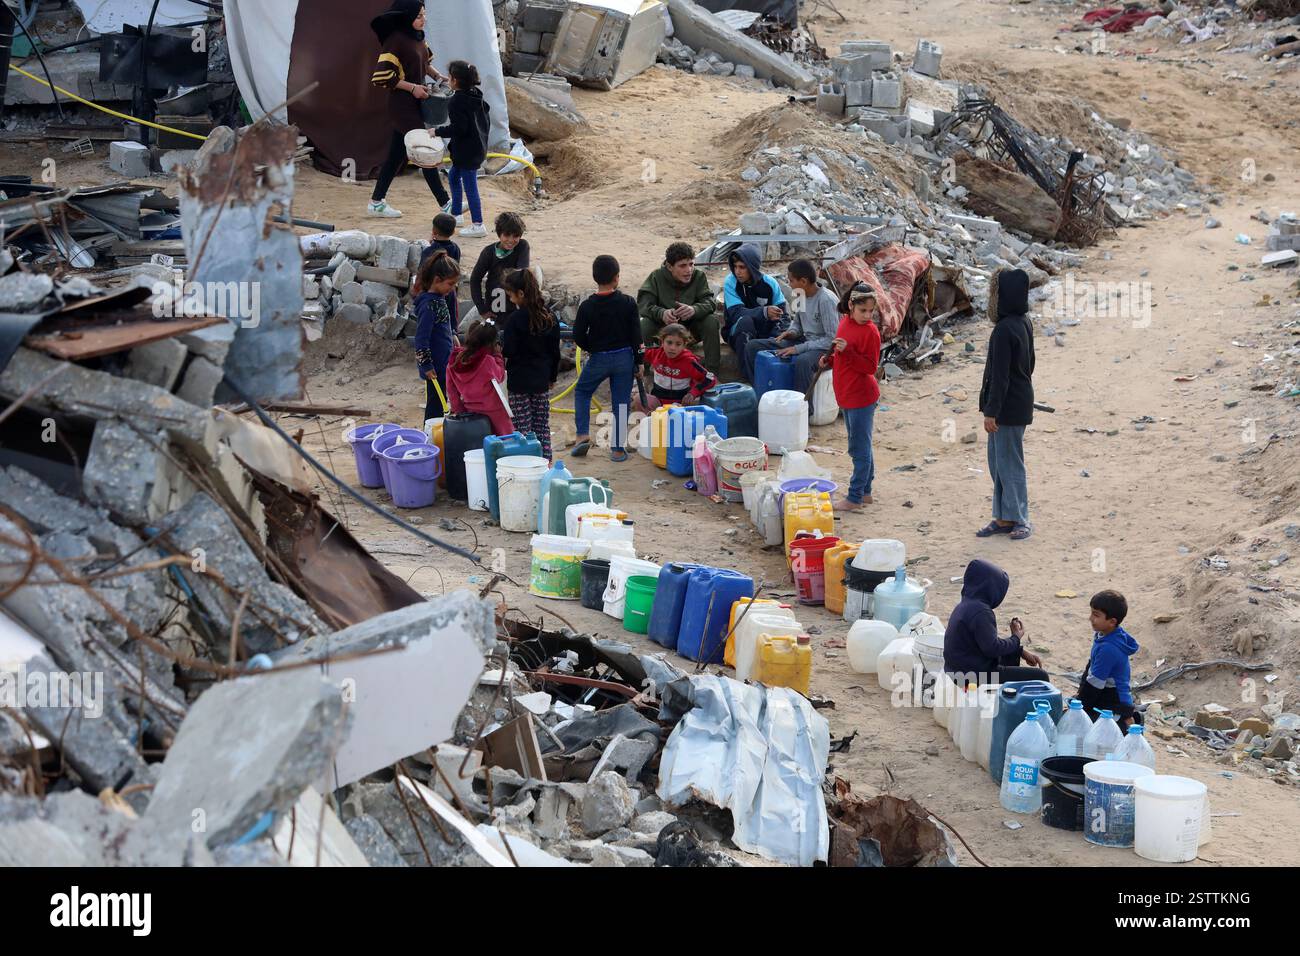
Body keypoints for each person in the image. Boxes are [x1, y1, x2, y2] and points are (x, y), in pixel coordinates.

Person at [367, 0, 450, 218]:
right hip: (402, 106)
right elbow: (382, 77)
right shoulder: (395, 41)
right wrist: (413, 88)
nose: (424, 20)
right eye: (419, 16)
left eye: (424, 14)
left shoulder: (418, 38)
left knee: (395, 156)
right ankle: (446, 204)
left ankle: (376, 202)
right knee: (423, 151)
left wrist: (437, 75)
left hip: (417, 103)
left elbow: (424, 61)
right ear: (406, 17)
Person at [976, 267, 1036, 541]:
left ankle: (1020, 519)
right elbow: (1029, 365)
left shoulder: (1003, 330)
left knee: (1009, 465)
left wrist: (991, 411)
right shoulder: (1025, 323)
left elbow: (999, 377)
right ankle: (1003, 517)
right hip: (1018, 403)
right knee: (999, 463)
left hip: (1007, 410)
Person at [571, 254, 641, 462]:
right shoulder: (628, 303)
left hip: (599, 358)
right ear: (617, 278)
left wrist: (592, 347)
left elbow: (577, 336)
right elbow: (636, 335)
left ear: (595, 278)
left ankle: (582, 435)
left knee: (583, 391)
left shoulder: (587, 306)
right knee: (621, 403)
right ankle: (618, 449)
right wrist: (639, 361)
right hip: (624, 358)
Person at [820, 284, 880, 510]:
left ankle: (854, 497)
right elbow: (840, 354)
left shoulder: (871, 332)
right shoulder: (844, 323)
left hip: (862, 397)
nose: (867, 316)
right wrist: (830, 360)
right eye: (863, 310)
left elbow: (870, 367)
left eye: (870, 311)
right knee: (862, 445)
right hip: (846, 394)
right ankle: (866, 492)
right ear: (851, 306)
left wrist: (848, 352)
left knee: (858, 448)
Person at [942, 558, 1047, 688]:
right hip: (973, 676)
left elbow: (985, 642)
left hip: (957, 670)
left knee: (1011, 654)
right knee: (1041, 676)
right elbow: (992, 648)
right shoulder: (981, 611)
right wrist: (1016, 637)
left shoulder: (965, 604)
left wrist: (1020, 651)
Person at [743, 258, 838, 391]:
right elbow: (798, 324)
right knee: (752, 346)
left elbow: (831, 340)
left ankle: (804, 409)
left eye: (791, 280)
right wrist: (791, 332)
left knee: (803, 362)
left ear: (803, 281)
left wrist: (798, 349)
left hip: (823, 349)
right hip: (805, 341)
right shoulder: (799, 295)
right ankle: (760, 391)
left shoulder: (826, 300)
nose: (789, 284)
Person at [501, 269, 561, 460]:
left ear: (520, 294)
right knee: (541, 425)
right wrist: (552, 377)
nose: (510, 299)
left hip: (519, 383)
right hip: (541, 380)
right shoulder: (549, 318)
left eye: (510, 295)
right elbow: (555, 352)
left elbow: (508, 351)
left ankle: (526, 462)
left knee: (522, 428)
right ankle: (546, 462)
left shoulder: (514, 321)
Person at [636, 242, 721, 374]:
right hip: (664, 334)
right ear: (670, 266)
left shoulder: (698, 277)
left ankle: (712, 372)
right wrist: (662, 313)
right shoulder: (656, 277)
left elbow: (710, 302)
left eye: (691, 264)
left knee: (711, 321)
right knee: (644, 324)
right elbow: (643, 304)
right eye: (682, 266)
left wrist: (694, 310)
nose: (689, 270)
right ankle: (644, 372)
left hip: (690, 333)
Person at [435, 60, 490, 238]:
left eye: (449, 77)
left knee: (470, 186)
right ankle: (456, 214)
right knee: (453, 176)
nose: (448, 79)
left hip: (467, 151)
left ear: (455, 81)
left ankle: (478, 224)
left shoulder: (456, 101)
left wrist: (436, 131)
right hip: (475, 147)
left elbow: (459, 128)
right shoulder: (475, 94)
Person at [412, 250, 461, 423]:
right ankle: (431, 435)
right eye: (450, 284)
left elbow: (442, 326)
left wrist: (452, 334)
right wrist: (425, 365)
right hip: (435, 366)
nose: (452, 288)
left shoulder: (439, 299)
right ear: (437, 280)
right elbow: (421, 338)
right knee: (435, 404)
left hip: (443, 360)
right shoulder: (428, 305)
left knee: (441, 400)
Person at [1078, 590, 1140, 727]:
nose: (1090, 618)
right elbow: (1092, 665)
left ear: (1112, 622)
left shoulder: (1109, 648)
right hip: (1103, 689)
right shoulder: (1105, 634)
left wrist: (1079, 708)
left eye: (1096, 615)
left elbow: (1095, 684)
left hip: (1114, 699)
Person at [722, 242, 787, 368]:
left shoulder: (770, 283)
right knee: (746, 322)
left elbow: (783, 314)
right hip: (737, 333)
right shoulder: (731, 282)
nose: (737, 272)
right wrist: (764, 312)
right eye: (735, 267)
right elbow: (736, 313)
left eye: (742, 267)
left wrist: (778, 334)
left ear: (752, 267)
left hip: (764, 333)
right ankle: (749, 376)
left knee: (783, 334)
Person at [446, 319, 511, 436]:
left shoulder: (455, 360)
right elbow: (500, 376)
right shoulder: (488, 361)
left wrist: (460, 411)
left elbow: (451, 391)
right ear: (491, 343)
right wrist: (497, 355)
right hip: (495, 414)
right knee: (503, 446)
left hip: (471, 412)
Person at [636, 323, 716, 412]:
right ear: (662, 342)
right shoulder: (656, 353)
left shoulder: (689, 361)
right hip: (658, 403)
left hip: (679, 405)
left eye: (678, 344)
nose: (672, 348)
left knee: (674, 414)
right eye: (669, 342)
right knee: (639, 398)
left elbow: (710, 379)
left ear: (684, 345)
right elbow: (638, 351)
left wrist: (693, 393)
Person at [469, 212, 530, 325]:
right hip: (495, 309)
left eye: (516, 236)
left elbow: (522, 272)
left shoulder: (522, 246)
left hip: (515, 306)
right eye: (507, 235)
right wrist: (482, 309)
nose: (511, 240)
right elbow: (475, 279)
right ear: (499, 234)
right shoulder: (488, 253)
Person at [419, 212, 461, 327]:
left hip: (432, 291)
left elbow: (422, 272)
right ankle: (452, 332)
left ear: (433, 231)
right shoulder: (455, 248)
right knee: (450, 313)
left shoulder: (428, 251)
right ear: (453, 232)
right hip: (449, 290)